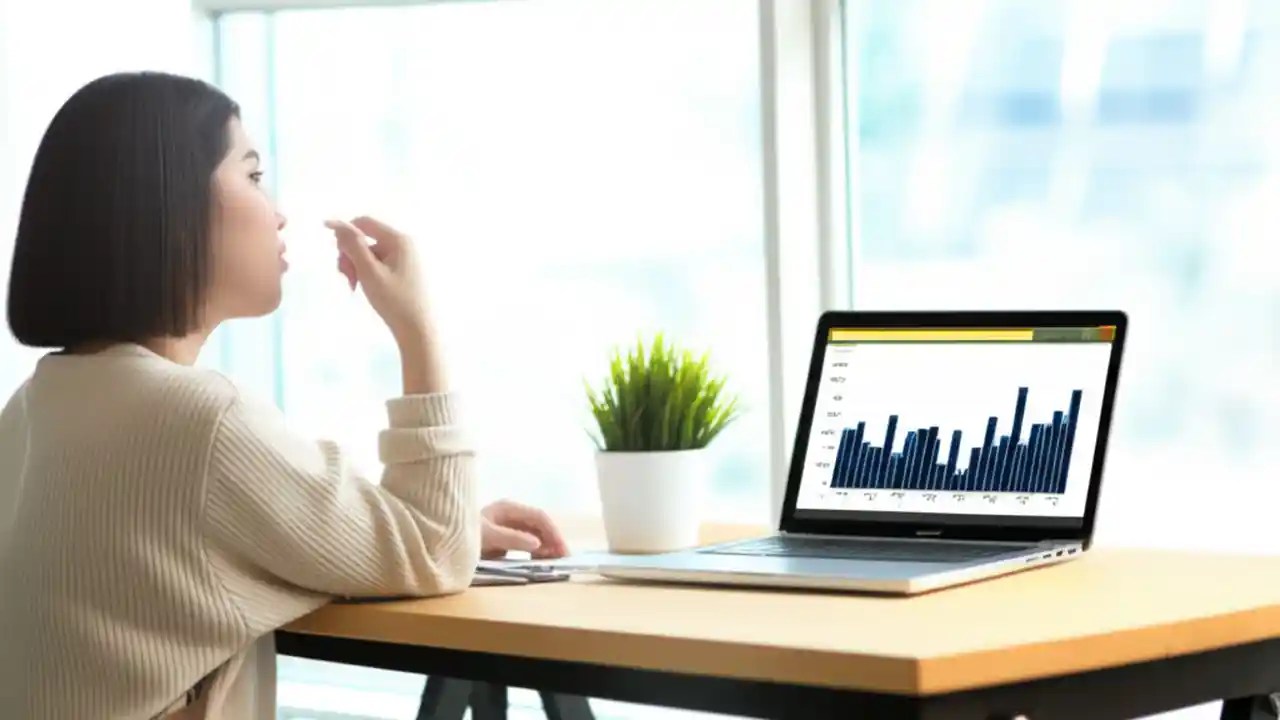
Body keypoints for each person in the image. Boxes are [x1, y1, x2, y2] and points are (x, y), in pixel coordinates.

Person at [0, 71, 568, 719]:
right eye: (251, 175)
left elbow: (193, 555)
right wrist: (418, 327)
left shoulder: (32, 409)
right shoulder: (198, 422)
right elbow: (435, 554)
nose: (278, 211)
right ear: (169, 205)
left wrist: (423, 530)